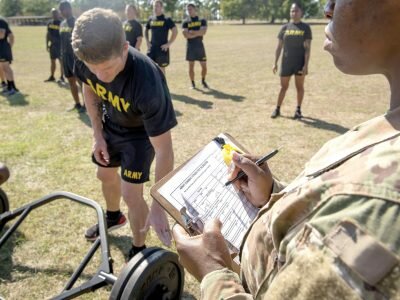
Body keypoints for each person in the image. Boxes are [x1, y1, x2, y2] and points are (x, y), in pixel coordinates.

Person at [173, 0, 400, 299]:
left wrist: (214, 272)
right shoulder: (388, 125)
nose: (328, 8)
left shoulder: (382, 205)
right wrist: (274, 195)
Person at [72, 8, 177, 259]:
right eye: (92, 68)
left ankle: (139, 247)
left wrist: (159, 205)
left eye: (107, 68)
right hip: (112, 125)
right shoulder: (87, 54)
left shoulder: (148, 83)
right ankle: (113, 217)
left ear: (125, 48)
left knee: (132, 194)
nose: (100, 76)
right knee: (104, 173)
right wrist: (97, 135)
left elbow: (165, 150)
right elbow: (90, 88)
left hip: (141, 136)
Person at [271, 3, 312, 119]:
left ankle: (298, 110)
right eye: (292, 11)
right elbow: (279, 47)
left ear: (301, 12)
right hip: (286, 63)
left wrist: (306, 65)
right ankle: (277, 109)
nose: (294, 13)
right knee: (283, 87)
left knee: (299, 87)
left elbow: (308, 48)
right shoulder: (284, 28)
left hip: (299, 63)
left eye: (296, 11)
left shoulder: (306, 28)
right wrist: (275, 62)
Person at [59, 1, 84, 112]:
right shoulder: (62, 23)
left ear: (68, 9)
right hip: (65, 57)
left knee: (81, 82)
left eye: (62, 9)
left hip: (75, 57)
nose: (61, 12)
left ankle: (86, 105)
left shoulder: (76, 22)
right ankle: (77, 104)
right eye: (60, 10)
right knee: (70, 81)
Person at [145, 0, 177, 74]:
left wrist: (168, 44)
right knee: (149, 68)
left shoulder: (166, 19)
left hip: (162, 48)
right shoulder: (151, 19)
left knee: (161, 70)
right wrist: (147, 41)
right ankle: (152, 85)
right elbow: (146, 29)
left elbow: (175, 31)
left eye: (157, 6)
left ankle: (162, 85)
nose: (155, 8)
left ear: (161, 7)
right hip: (152, 48)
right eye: (154, 6)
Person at [182, 3, 209, 89]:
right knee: (191, 66)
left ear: (195, 9)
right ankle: (193, 83)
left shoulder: (202, 20)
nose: (189, 11)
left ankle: (203, 81)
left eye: (190, 9)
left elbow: (203, 32)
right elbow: (185, 35)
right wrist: (197, 33)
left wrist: (192, 32)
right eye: (188, 9)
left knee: (204, 66)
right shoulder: (186, 22)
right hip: (190, 46)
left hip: (200, 46)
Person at [45, 8, 64, 83]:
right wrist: (47, 44)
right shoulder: (50, 23)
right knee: (52, 61)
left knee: (61, 62)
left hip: (60, 46)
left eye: (55, 13)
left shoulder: (62, 23)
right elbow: (48, 34)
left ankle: (62, 77)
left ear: (59, 13)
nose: (54, 14)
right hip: (53, 46)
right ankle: (52, 76)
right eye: (53, 13)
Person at [0, 17, 18, 96]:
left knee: (6, 68)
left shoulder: (1, 22)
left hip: (2, 48)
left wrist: (8, 47)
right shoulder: (3, 22)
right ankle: (11, 87)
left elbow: (1, 35)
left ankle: (12, 88)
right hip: (4, 48)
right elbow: (11, 35)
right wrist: (9, 47)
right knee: (5, 68)